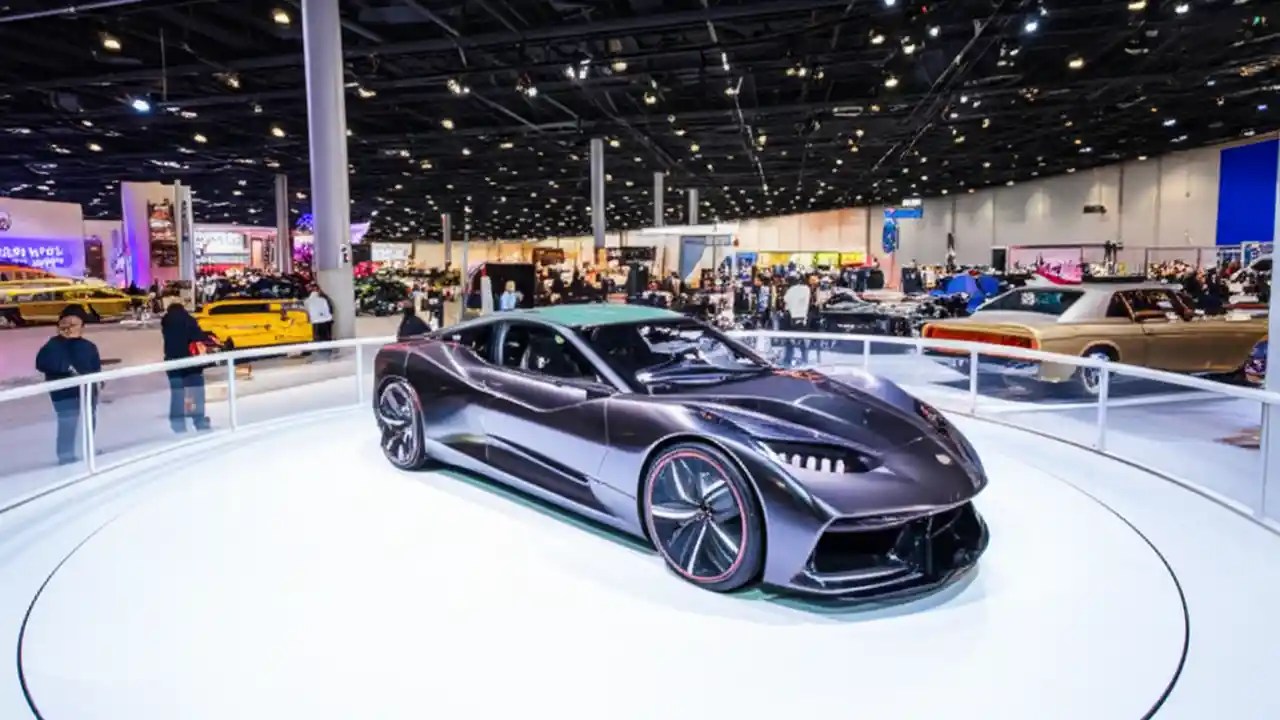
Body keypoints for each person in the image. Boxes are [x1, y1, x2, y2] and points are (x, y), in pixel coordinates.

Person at [35, 306, 102, 464]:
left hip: (87, 392)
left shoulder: (89, 346)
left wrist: (98, 382)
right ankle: (66, 454)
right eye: (66, 324)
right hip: (64, 394)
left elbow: (95, 366)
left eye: (74, 324)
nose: (70, 328)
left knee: (89, 420)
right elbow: (42, 363)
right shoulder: (53, 346)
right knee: (68, 422)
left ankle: (87, 447)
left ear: (82, 327)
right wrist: (65, 365)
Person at [161, 301, 213, 433]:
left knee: (177, 395)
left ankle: (177, 424)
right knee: (196, 393)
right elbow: (197, 336)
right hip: (190, 365)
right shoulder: (188, 320)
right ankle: (199, 420)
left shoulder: (166, 322)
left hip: (172, 364)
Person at [782, 275, 812, 367]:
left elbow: (785, 301)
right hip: (802, 317)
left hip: (792, 316)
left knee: (790, 340)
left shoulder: (791, 290)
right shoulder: (806, 289)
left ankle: (788, 359)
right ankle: (804, 359)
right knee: (802, 340)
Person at [305, 284, 334, 357]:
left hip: (315, 321)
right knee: (326, 337)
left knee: (318, 337)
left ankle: (320, 351)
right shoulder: (324, 299)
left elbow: (307, 312)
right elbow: (330, 309)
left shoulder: (307, 301)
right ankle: (327, 351)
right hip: (326, 320)